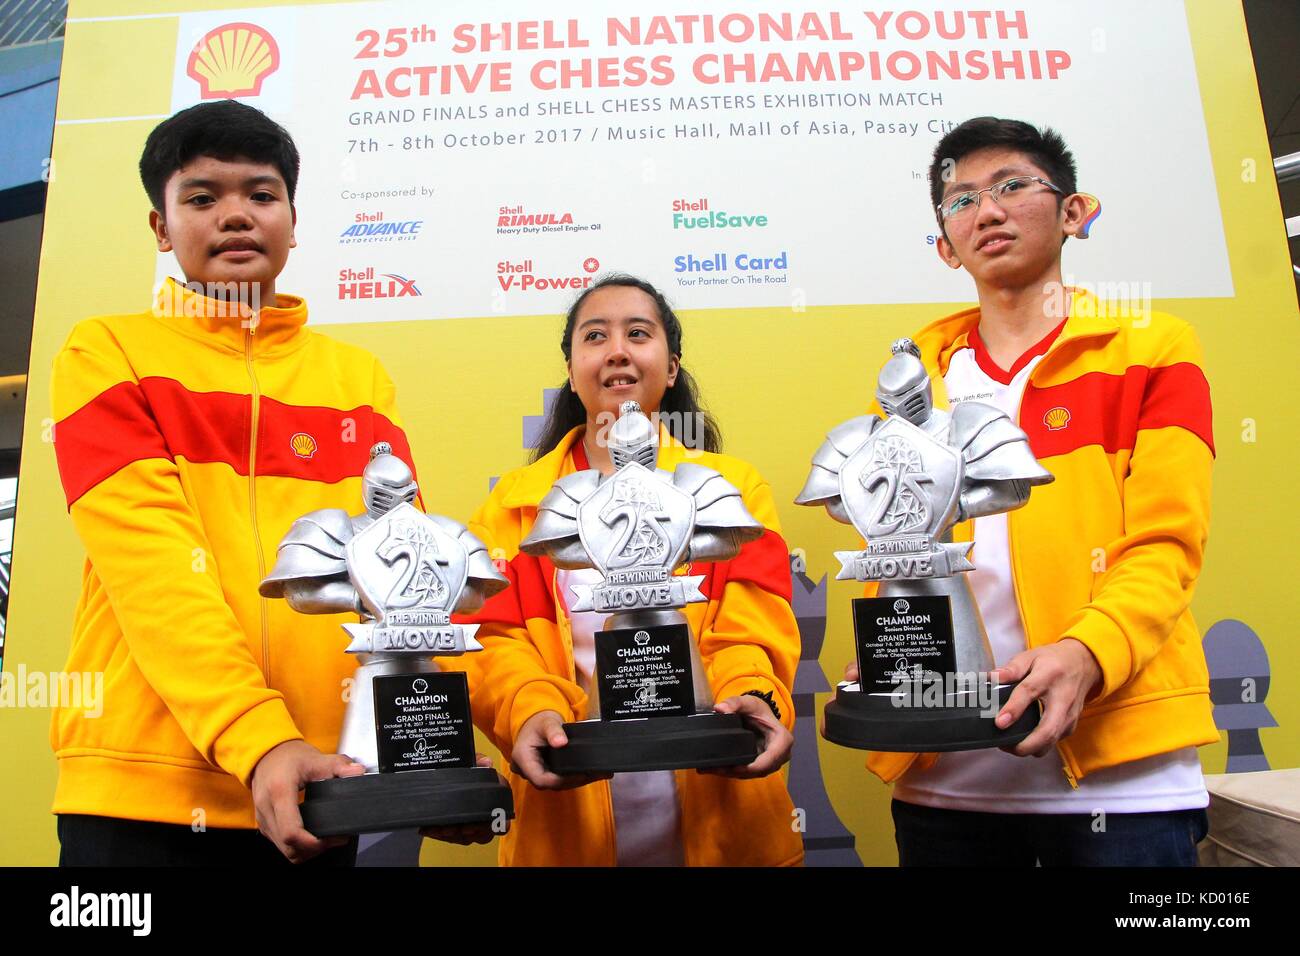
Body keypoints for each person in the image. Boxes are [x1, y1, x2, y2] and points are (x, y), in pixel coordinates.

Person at [49, 100, 479, 865]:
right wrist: (260, 738)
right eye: (202, 197)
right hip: (144, 797)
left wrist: (420, 750)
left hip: (319, 789)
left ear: (292, 217)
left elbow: (409, 579)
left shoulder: (357, 378)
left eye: (261, 193)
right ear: (161, 228)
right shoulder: (105, 350)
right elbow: (153, 574)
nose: (236, 215)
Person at [842, 117, 1216, 866]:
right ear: (946, 247)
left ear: (1073, 212)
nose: (988, 210)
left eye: (1013, 185)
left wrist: (1086, 651)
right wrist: (893, 651)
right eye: (961, 200)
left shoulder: (1154, 350)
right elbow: (901, 547)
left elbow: (1167, 545)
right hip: (947, 781)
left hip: (1123, 780)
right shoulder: (917, 382)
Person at [442, 274, 804, 866]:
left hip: (727, 827)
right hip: (568, 829)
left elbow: (752, 628)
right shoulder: (514, 508)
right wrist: (531, 710)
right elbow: (494, 643)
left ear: (671, 366)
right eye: (595, 337)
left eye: (638, 334)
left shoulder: (732, 492)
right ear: (570, 368)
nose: (617, 350)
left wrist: (748, 696)